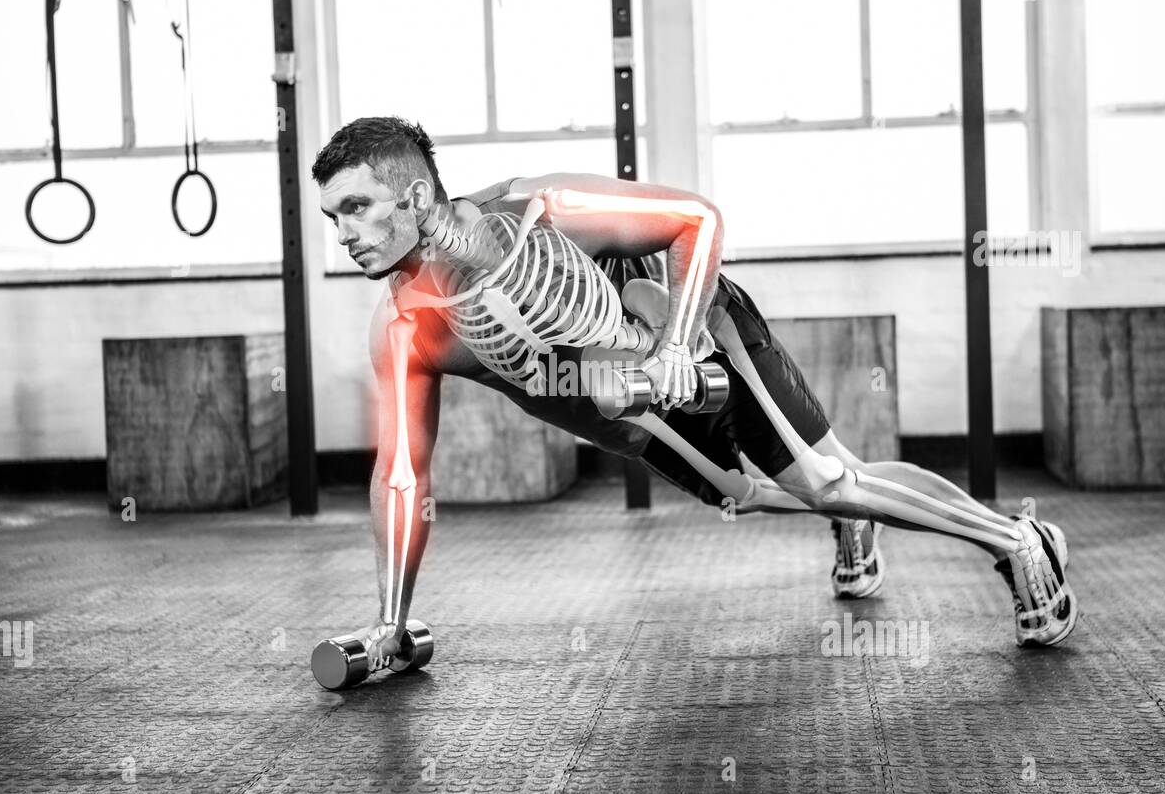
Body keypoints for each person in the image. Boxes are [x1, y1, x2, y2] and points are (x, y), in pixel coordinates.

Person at [312, 116, 1077, 671]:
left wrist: (677, 343)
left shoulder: (540, 209)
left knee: (827, 479)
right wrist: (390, 621)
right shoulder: (406, 331)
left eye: (356, 208)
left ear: (414, 198)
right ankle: (851, 524)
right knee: (744, 494)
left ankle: (1016, 540)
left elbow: (696, 220)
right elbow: (400, 477)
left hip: (696, 329)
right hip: (635, 417)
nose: (343, 234)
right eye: (332, 216)